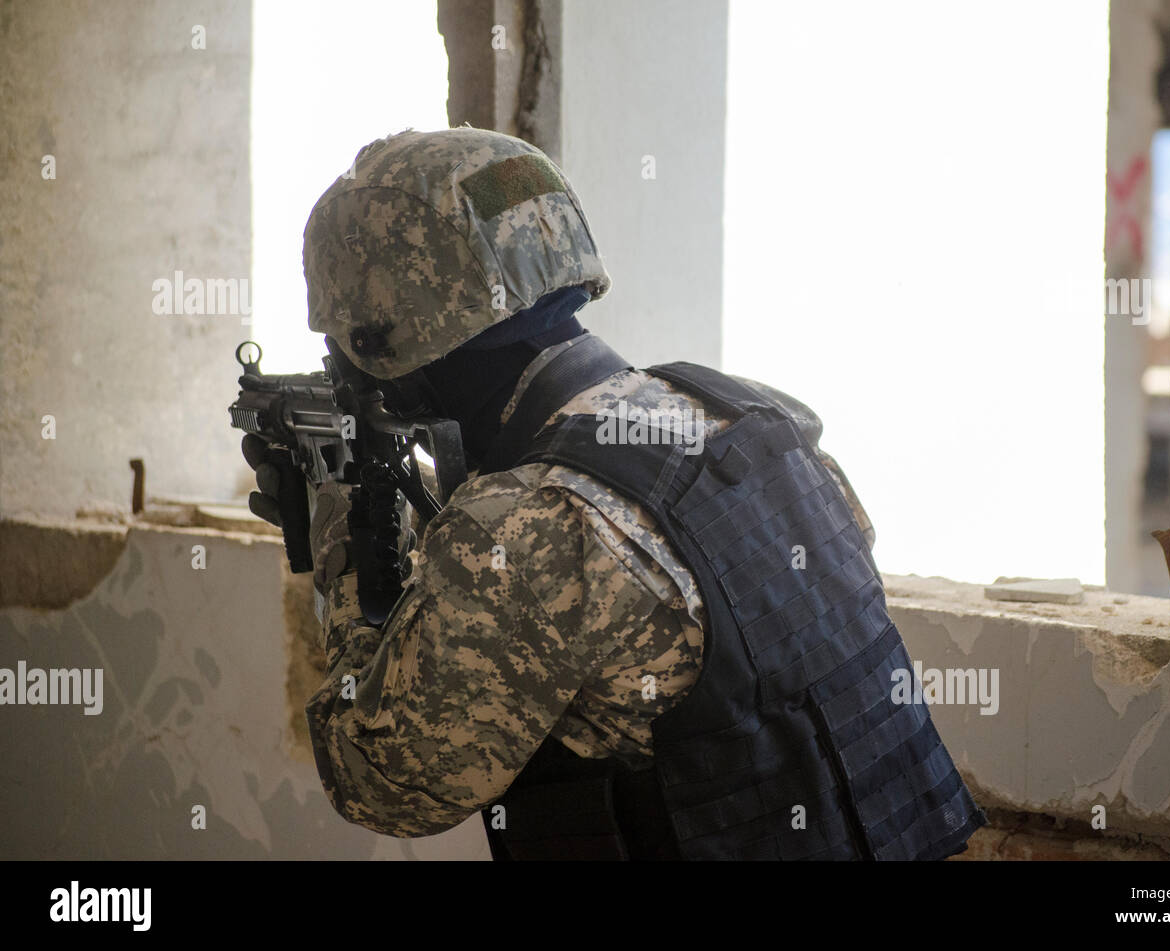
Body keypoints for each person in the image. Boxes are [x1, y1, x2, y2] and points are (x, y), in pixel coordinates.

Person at [242, 127, 986, 860]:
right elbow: (624, 559)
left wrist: (344, 536)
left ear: (385, 340)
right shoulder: (752, 416)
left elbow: (381, 781)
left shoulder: (523, 528)